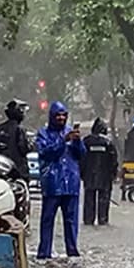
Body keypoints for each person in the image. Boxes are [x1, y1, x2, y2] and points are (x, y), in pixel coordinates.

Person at [35, 101, 86, 259]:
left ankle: (72, 251)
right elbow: (45, 153)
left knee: (71, 221)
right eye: (58, 115)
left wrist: (77, 141)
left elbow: (81, 155)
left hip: (71, 184)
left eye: (64, 115)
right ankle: (44, 252)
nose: (61, 118)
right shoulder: (43, 134)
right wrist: (63, 140)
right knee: (47, 219)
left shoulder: (71, 132)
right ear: (52, 116)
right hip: (52, 183)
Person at [82, 118, 118, 226]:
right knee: (104, 199)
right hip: (105, 177)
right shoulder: (108, 143)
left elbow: (81, 158)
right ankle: (103, 219)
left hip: (89, 176)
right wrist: (113, 174)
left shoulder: (86, 141)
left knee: (89, 199)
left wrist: (82, 173)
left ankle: (88, 219)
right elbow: (114, 160)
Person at [0, 99, 30, 179]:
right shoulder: (19, 129)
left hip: (3, 166)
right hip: (18, 167)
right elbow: (23, 148)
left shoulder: (1, 127)